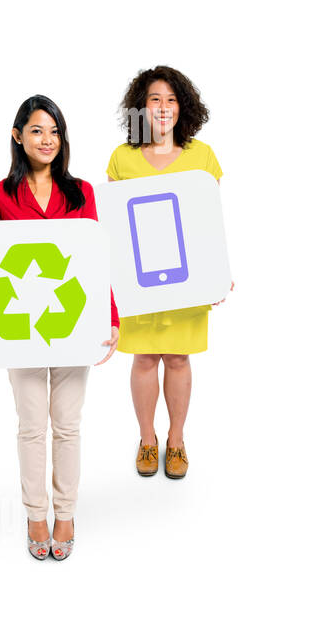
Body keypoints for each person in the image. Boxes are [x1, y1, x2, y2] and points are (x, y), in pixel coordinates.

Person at [0, 96, 119, 561]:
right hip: (16, 328)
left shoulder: (82, 192)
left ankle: (65, 512)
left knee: (67, 424)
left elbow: (93, 264)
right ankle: (35, 515)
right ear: (17, 135)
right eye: (37, 131)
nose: (47, 140)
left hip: (73, 323)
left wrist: (111, 318)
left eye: (54, 132)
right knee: (31, 425)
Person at [107, 66, 227, 480]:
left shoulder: (202, 156)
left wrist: (218, 271)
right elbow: (114, 225)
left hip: (187, 277)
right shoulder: (123, 158)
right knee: (144, 358)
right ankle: (147, 439)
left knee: (177, 357)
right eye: (154, 99)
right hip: (139, 279)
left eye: (171, 99)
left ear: (183, 107)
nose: (162, 107)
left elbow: (209, 220)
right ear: (141, 107)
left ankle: (176, 441)